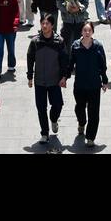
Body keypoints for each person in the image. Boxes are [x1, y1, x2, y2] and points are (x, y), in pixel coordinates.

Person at [26, 15, 70, 144]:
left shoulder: (59, 41)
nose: (44, 26)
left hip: (54, 80)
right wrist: (30, 77)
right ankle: (44, 133)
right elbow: (30, 59)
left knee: (58, 104)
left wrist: (64, 77)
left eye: (47, 23)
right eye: (42, 23)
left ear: (52, 25)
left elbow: (64, 61)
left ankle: (54, 119)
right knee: (41, 108)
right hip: (39, 81)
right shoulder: (35, 42)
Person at [68, 21, 109, 146]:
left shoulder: (98, 46)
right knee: (80, 108)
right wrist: (65, 77)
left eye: (89, 30)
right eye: (84, 30)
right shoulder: (75, 46)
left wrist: (105, 81)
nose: (87, 32)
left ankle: (90, 137)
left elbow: (103, 65)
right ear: (81, 32)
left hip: (94, 85)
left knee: (94, 112)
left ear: (92, 32)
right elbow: (70, 64)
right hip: (80, 85)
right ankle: (81, 123)